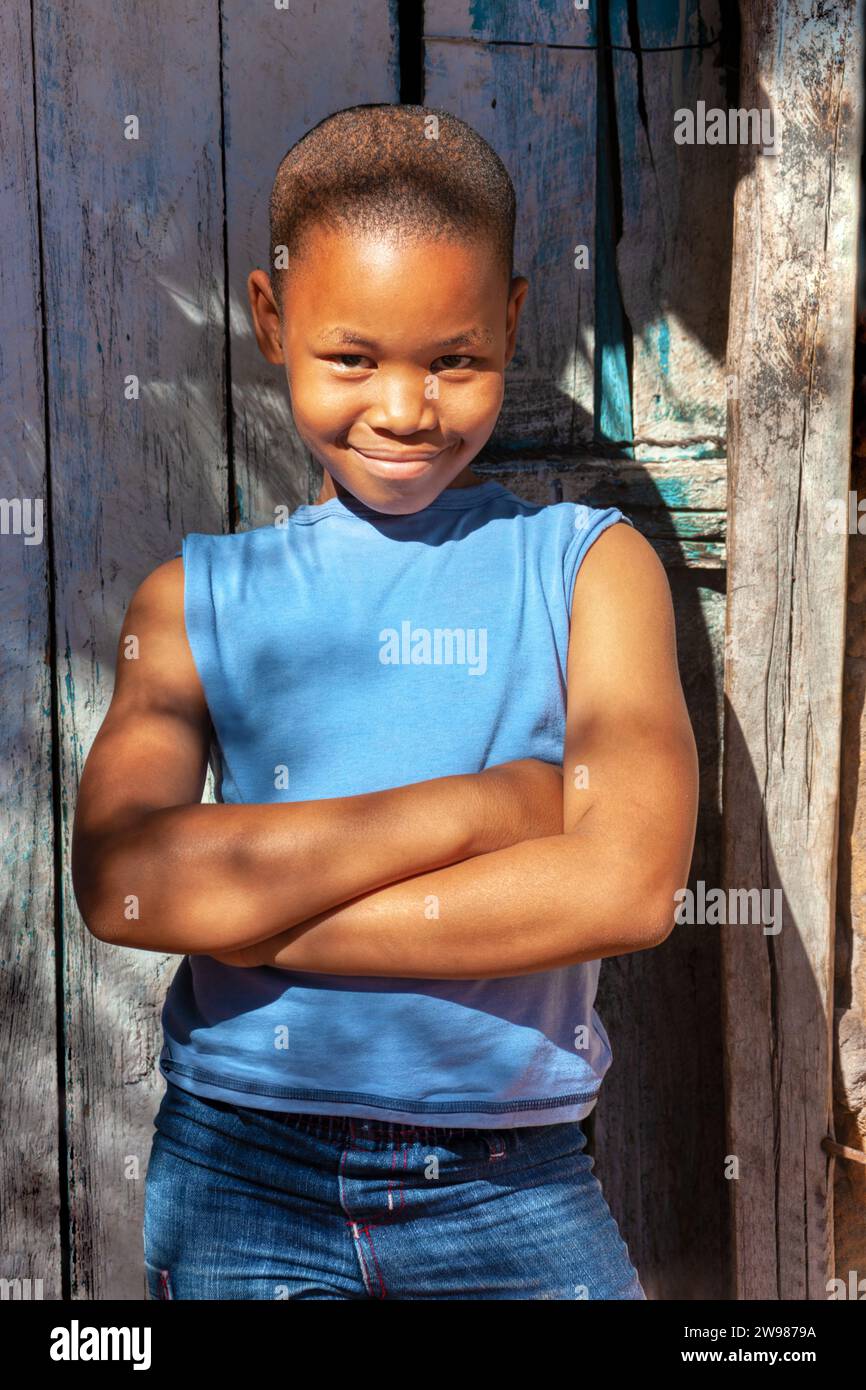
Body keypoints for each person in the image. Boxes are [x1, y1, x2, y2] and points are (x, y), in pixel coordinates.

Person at [72, 103, 699, 1300]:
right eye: (352, 357)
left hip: (507, 1184)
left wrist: (253, 919)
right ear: (270, 317)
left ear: (513, 320)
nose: (405, 410)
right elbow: (125, 882)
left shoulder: (584, 568)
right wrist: (483, 808)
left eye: (452, 358)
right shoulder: (196, 596)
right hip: (238, 1175)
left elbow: (622, 886)